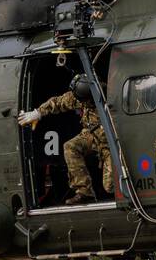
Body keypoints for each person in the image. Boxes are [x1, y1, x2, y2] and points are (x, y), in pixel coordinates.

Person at [18, 75, 112, 205]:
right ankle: (84, 192)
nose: (83, 104)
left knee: (110, 186)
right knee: (71, 146)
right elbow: (58, 102)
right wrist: (37, 113)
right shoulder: (81, 95)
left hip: (111, 142)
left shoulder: (110, 97)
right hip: (92, 135)